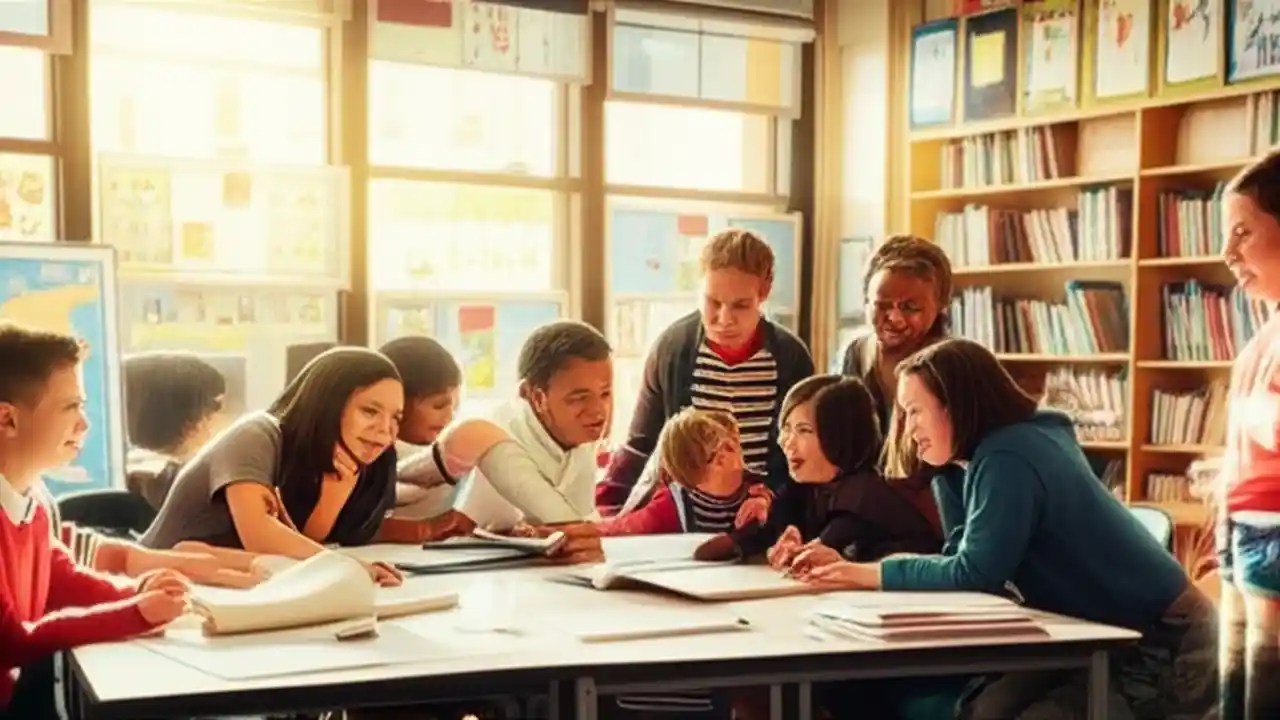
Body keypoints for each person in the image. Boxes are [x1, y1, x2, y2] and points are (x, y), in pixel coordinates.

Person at [789, 338, 1217, 720]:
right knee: (983, 708)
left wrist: (863, 573)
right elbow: (960, 557)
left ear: (955, 405)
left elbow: (977, 572)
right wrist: (944, 473)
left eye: (915, 412)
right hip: (1089, 634)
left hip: (1162, 640)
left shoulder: (1011, 454)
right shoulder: (978, 458)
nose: (908, 427)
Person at [0, 323, 187, 719]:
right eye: (71, 407)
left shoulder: (32, 496)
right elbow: (11, 641)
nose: (84, 424)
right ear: (7, 420)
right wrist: (135, 614)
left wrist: (136, 591)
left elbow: (59, 577)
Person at [139, 346, 406, 586]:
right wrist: (348, 568)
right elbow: (260, 536)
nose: (386, 430)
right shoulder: (256, 434)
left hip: (222, 585)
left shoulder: (331, 464)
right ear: (328, 403)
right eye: (370, 411)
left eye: (396, 417)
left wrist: (334, 493)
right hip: (153, 581)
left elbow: (299, 546)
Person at [597, 229, 815, 516]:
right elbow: (643, 442)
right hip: (685, 515)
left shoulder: (791, 358)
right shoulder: (672, 350)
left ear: (763, 294)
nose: (724, 319)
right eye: (713, 302)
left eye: (740, 305)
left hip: (764, 515)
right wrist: (609, 512)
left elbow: (803, 456)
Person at [727, 375, 940, 567]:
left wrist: (794, 550)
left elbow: (820, 551)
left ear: (840, 436)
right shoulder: (805, 487)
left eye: (803, 430)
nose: (787, 443)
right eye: (786, 428)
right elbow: (742, 542)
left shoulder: (863, 495)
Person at [446, 321, 612, 537]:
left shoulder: (580, 436)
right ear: (535, 396)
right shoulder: (497, 434)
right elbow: (462, 529)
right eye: (579, 398)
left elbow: (580, 522)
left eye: (605, 394)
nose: (598, 412)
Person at [1218, 149, 1280, 720]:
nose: (1227, 253)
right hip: (1241, 530)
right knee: (1236, 692)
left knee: (1266, 692)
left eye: (1243, 232)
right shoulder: (1265, 332)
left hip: (1274, 536)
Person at [840, 235, 953, 533]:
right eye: (882, 305)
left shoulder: (954, 364)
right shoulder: (857, 355)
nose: (894, 318)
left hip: (937, 513)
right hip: (865, 506)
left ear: (940, 305)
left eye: (911, 307)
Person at [597, 408, 768, 539]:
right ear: (720, 460)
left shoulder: (758, 490)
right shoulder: (673, 505)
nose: (738, 448)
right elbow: (621, 529)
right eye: (730, 445)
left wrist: (765, 501)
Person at [121, 351, 227, 511]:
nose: (220, 417)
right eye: (216, 406)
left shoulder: (120, 478)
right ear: (192, 423)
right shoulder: (193, 490)